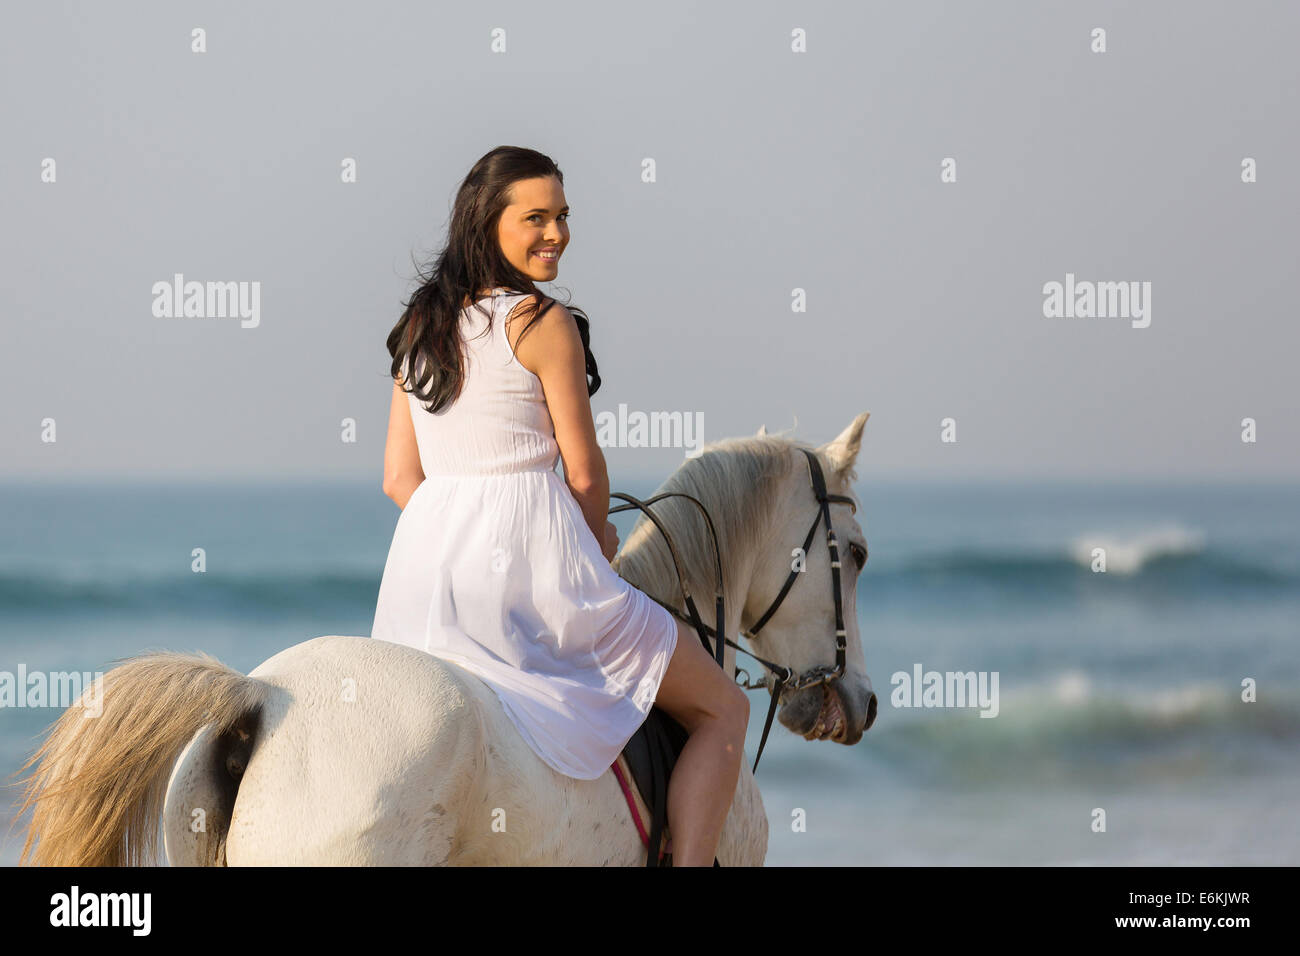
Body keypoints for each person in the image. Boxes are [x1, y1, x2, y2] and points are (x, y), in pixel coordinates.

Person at [370, 146, 748, 866]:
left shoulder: (420, 323)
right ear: (488, 223)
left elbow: (398, 478)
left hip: (427, 586)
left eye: (563, 217)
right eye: (535, 218)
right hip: (538, 580)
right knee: (724, 708)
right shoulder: (542, 323)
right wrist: (593, 542)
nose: (556, 234)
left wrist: (463, 536)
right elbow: (584, 470)